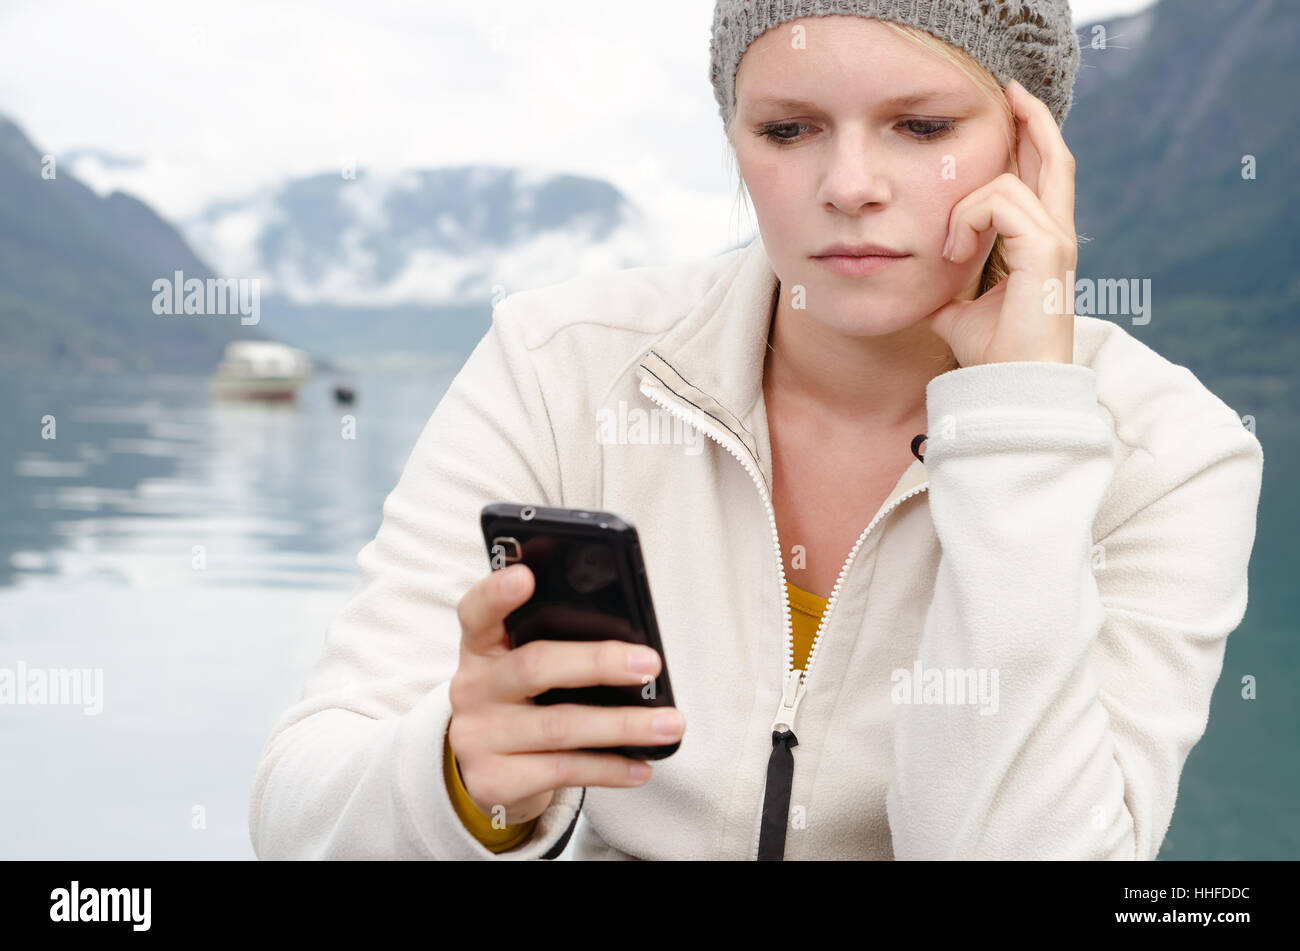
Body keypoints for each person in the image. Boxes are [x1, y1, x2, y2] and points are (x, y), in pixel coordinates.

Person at [247, 1, 1264, 860]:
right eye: (787, 130)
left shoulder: (1169, 452)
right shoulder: (561, 360)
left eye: (920, 126)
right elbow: (296, 813)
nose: (848, 184)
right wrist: (461, 776)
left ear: (1028, 146)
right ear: (734, 135)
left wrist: (1016, 433)